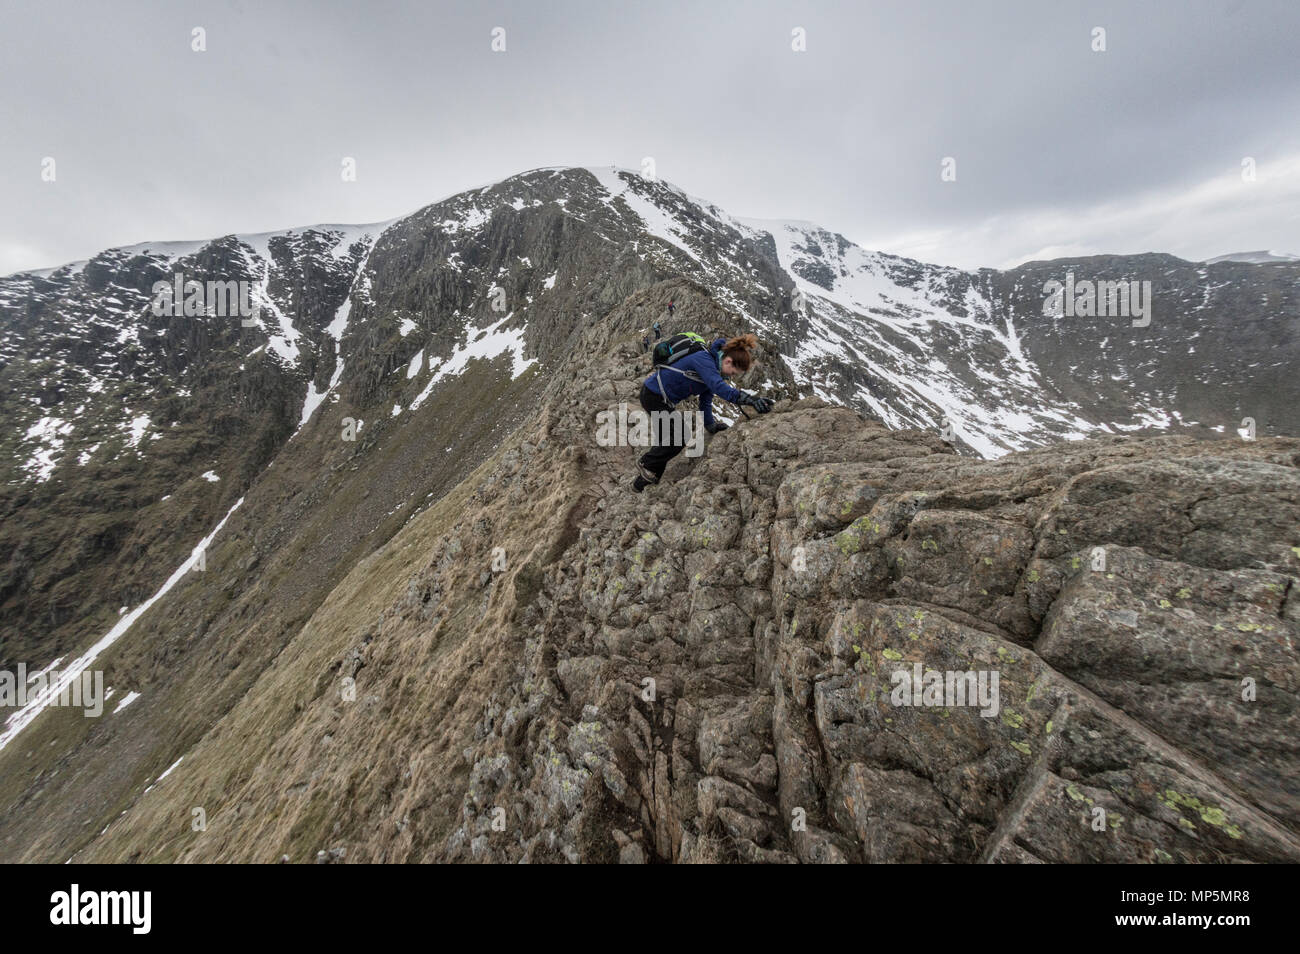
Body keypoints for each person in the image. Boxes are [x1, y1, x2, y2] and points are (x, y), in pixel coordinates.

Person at [632, 333, 774, 492]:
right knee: (680, 437)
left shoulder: (712, 368)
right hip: (653, 395)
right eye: (733, 372)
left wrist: (710, 425)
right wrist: (749, 399)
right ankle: (646, 462)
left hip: (661, 399)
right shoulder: (703, 360)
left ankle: (641, 486)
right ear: (728, 361)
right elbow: (718, 387)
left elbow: (705, 401)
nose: (731, 376)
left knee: (667, 443)